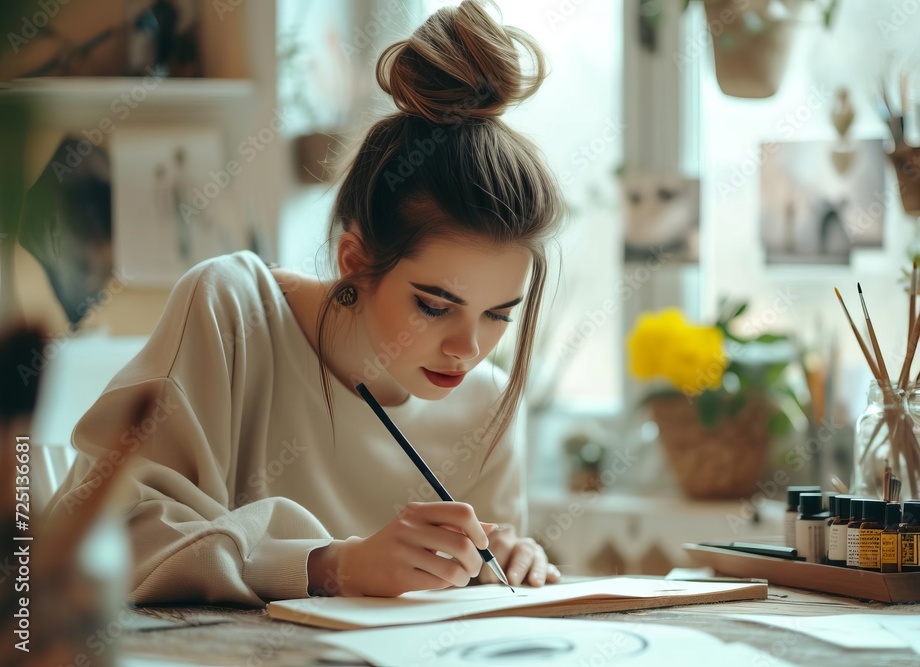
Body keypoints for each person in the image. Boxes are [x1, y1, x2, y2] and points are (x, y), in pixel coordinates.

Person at [44, 0, 563, 606]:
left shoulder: (487, 405)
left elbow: (480, 599)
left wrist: (508, 561)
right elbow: (95, 536)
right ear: (355, 261)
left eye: (500, 314)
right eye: (434, 305)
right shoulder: (231, 312)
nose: (467, 349)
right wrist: (329, 565)